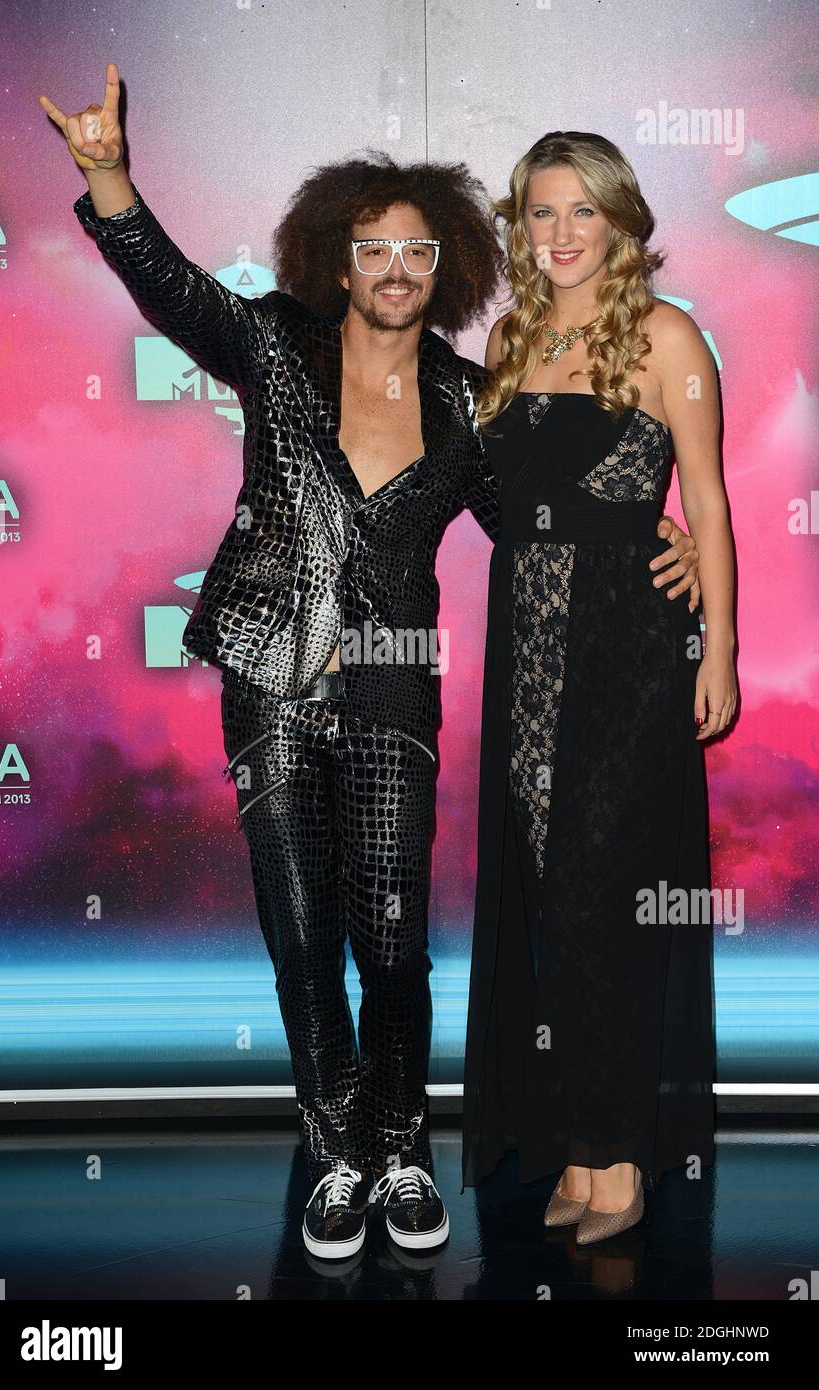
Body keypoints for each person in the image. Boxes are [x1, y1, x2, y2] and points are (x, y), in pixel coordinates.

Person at [40, 68, 700, 1259]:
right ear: (334, 260)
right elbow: (176, 291)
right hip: (269, 673)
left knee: (391, 937)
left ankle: (402, 1145)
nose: (395, 268)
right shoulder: (273, 344)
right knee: (300, 931)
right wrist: (108, 181)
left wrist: (650, 526)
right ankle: (337, 1149)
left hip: (393, 687)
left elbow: (536, 514)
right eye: (371, 248)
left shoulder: (463, 398)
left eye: (416, 251)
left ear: (442, 263)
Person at [462, 131, 736, 1246]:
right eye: (540, 213)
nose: (561, 232)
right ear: (519, 228)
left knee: (601, 894)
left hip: (629, 647)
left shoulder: (666, 336)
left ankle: (621, 1153)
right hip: (522, 651)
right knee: (543, 897)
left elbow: (708, 507)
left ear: (619, 221)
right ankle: (574, 1143)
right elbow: (496, 503)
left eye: (582, 211)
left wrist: (715, 645)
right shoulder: (510, 338)